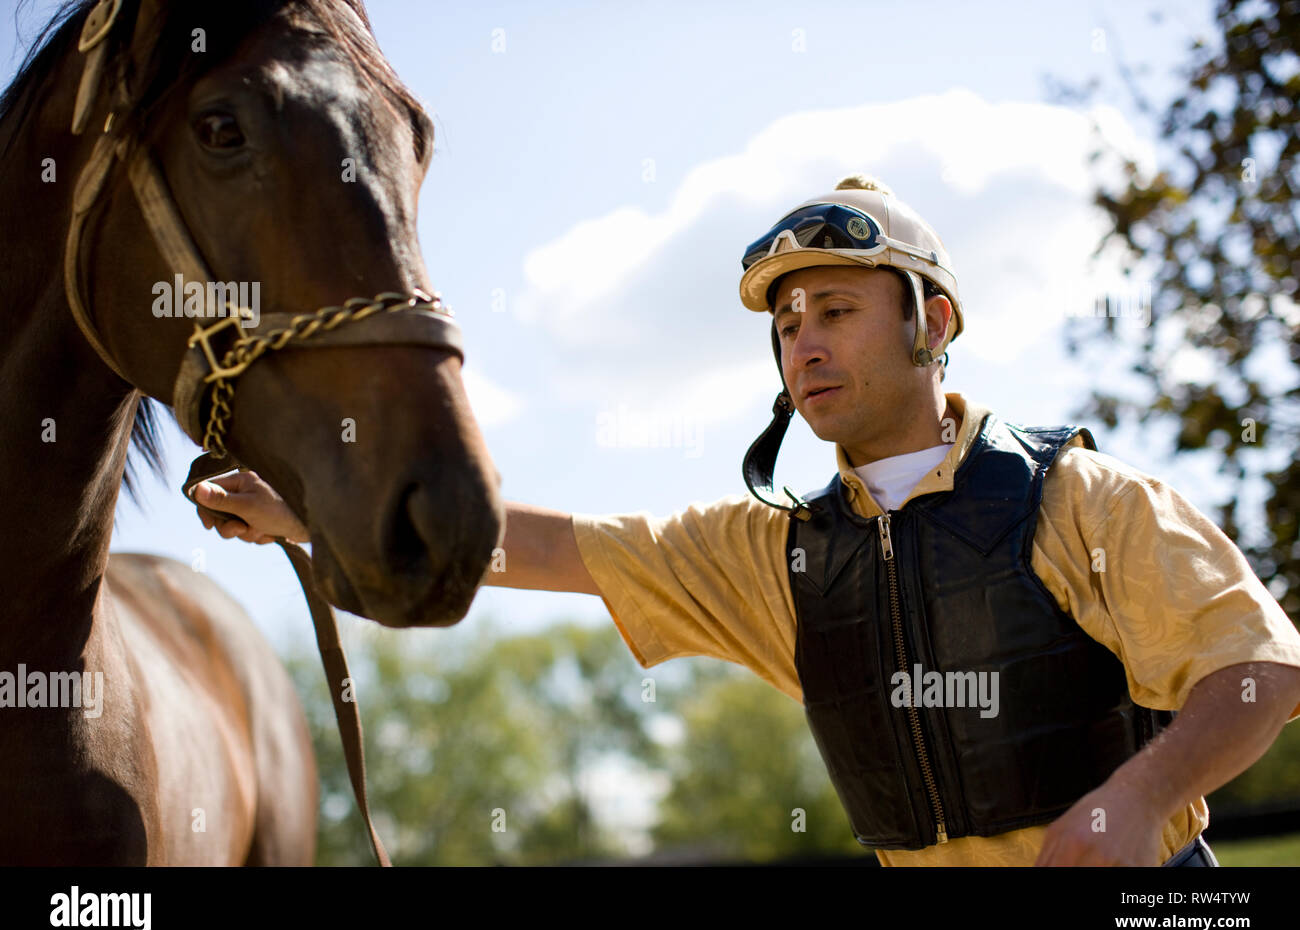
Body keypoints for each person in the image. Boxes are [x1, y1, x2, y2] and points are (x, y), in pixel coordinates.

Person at [193, 175, 1300, 867]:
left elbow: (1262, 669)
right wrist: (308, 511)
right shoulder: (773, 552)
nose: (803, 342)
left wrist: (1134, 797)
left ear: (934, 323)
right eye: (786, 323)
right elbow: (540, 547)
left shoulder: (1084, 498)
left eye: (836, 310)